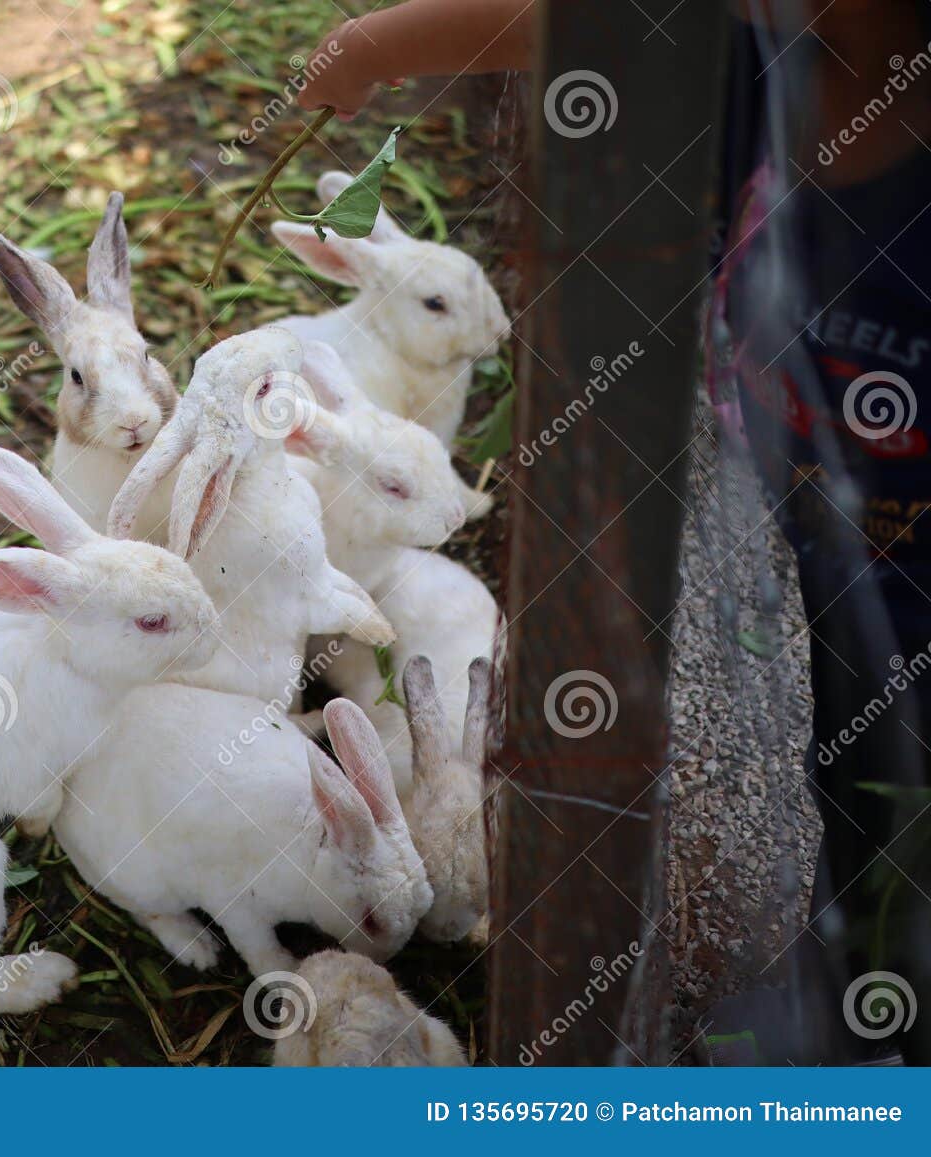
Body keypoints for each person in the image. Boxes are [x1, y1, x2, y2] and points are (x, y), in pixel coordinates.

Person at [296, 0, 931, 1065]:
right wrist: (375, 47)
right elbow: (574, 30)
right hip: (773, 524)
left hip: (907, 564)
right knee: (822, 750)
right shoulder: (743, 60)